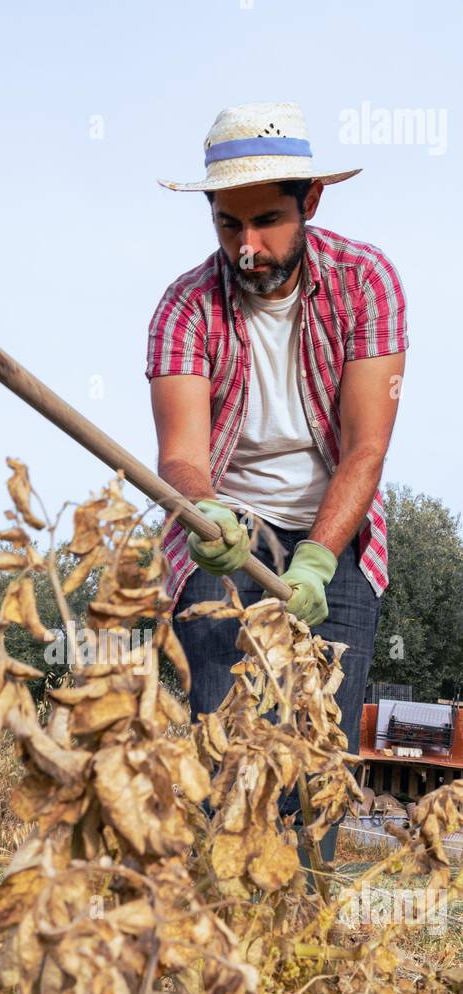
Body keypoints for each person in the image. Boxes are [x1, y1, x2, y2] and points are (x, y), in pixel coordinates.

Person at [146, 101, 408, 863]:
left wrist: (321, 556)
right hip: (227, 533)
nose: (248, 248)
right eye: (229, 225)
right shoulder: (184, 306)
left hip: (338, 531)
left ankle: (304, 940)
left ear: (311, 203)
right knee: (224, 746)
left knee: (316, 754)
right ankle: (221, 938)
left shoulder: (369, 282)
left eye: (266, 222)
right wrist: (204, 512)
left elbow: (366, 447)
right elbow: (181, 454)